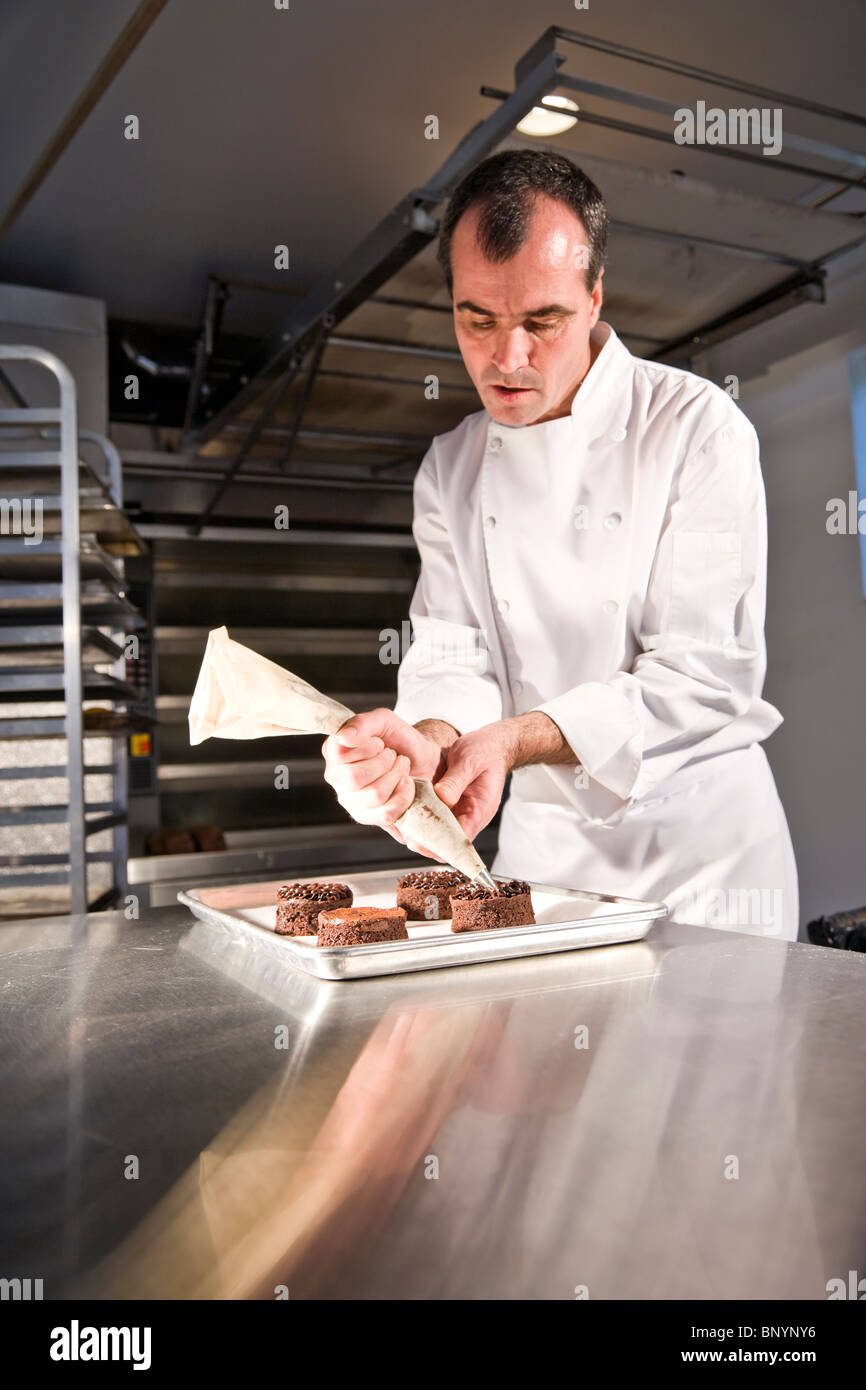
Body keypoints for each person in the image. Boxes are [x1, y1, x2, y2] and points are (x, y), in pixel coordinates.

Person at [322, 149, 799, 940]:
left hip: (702, 858)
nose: (508, 360)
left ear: (594, 298)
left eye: (542, 321)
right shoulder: (450, 468)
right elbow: (454, 655)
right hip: (545, 857)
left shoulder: (695, 428)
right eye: (478, 319)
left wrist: (512, 740)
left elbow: (705, 676)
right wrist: (429, 742)